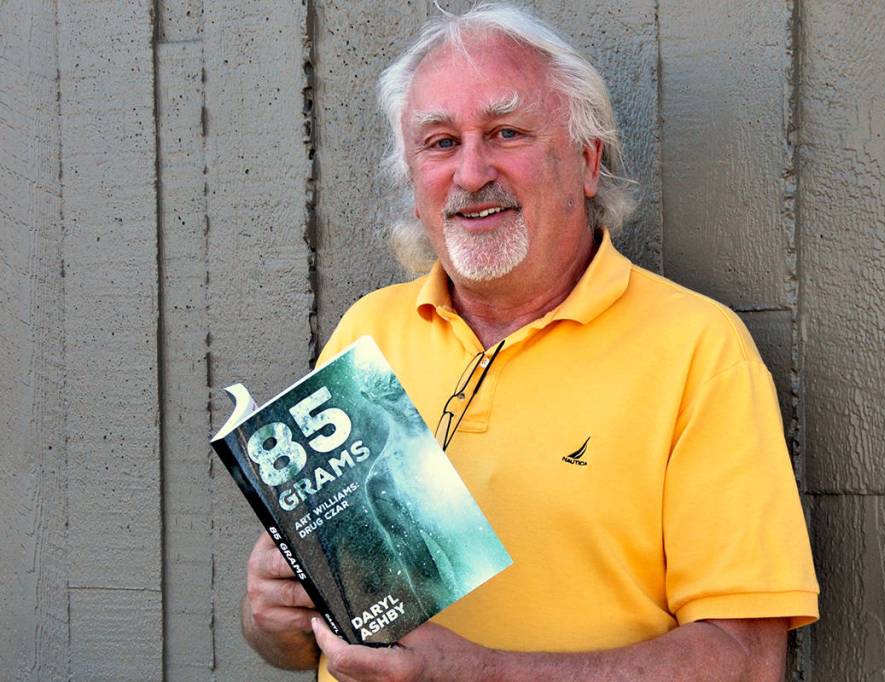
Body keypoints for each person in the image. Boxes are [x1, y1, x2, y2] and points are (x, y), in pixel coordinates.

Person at [242, 5, 819, 681]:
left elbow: (746, 660)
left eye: (506, 132)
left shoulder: (698, 350)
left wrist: (475, 673)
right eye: (440, 143)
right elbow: (300, 646)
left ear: (587, 161)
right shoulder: (368, 332)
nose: (471, 173)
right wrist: (272, 617)